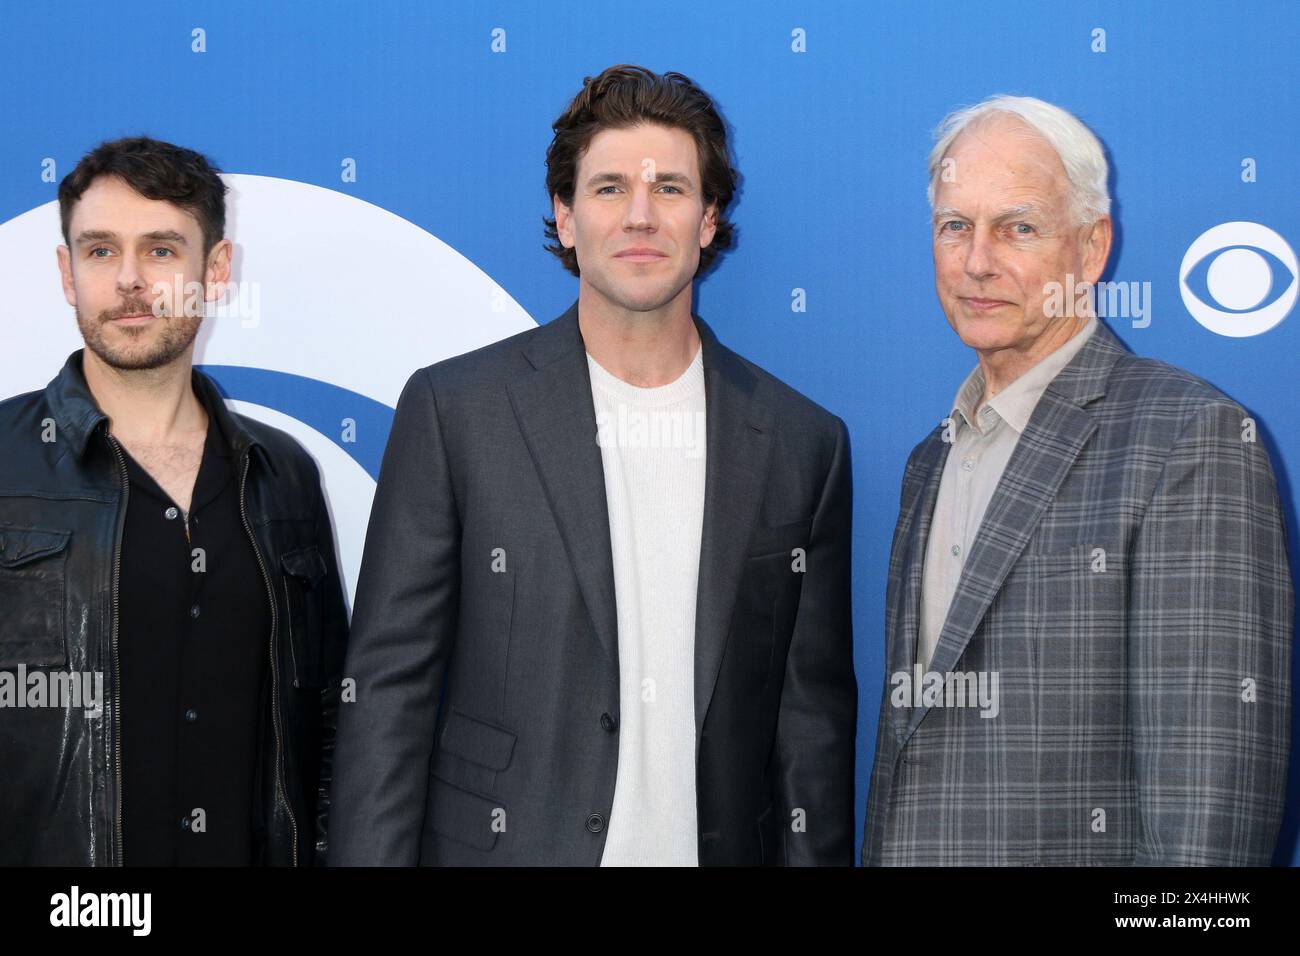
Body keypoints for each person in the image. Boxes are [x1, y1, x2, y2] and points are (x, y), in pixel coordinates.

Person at [330, 64, 856, 866]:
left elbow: (808, 728)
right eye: (610, 188)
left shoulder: (801, 443)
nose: (640, 217)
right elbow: (388, 695)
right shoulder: (457, 412)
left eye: (671, 189)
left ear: (709, 219)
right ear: (565, 217)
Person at [862, 95, 1292, 865]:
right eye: (955, 226)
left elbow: (1211, 808)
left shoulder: (1190, 438)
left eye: (1017, 227)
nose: (977, 260)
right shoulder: (930, 461)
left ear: (1091, 250)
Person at [0, 137, 348, 865]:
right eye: (99, 252)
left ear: (215, 271)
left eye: (161, 251)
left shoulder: (281, 474)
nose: (129, 281)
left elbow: (326, 722)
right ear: (67, 274)